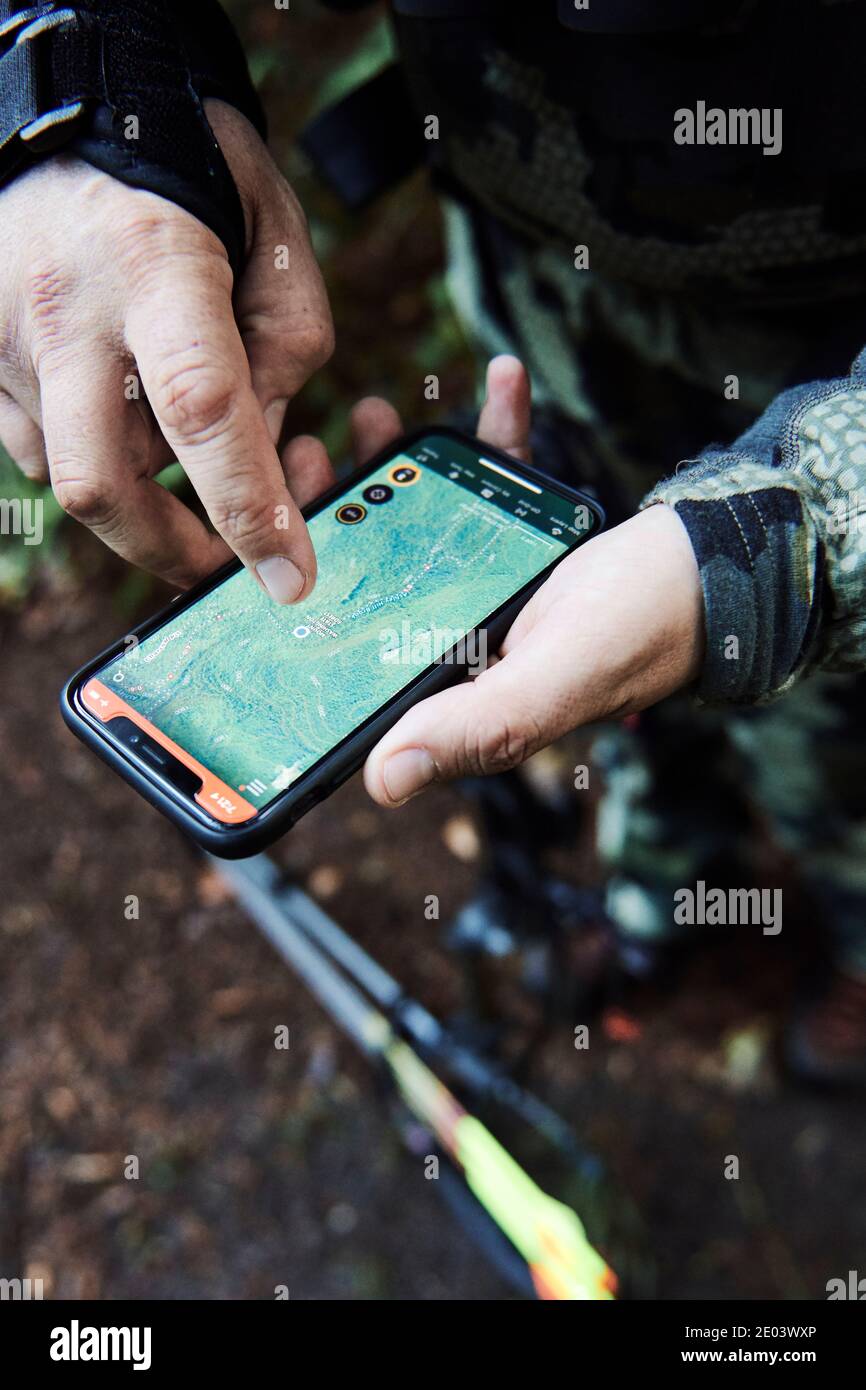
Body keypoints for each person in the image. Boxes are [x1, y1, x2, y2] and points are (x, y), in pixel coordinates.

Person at [2, 0, 866, 1082]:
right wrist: (94, 86)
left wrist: (788, 542)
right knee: (597, 651)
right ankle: (664, 886)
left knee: (822, 718)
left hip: (831, 324)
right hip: (541, 248)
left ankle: (854, 922)